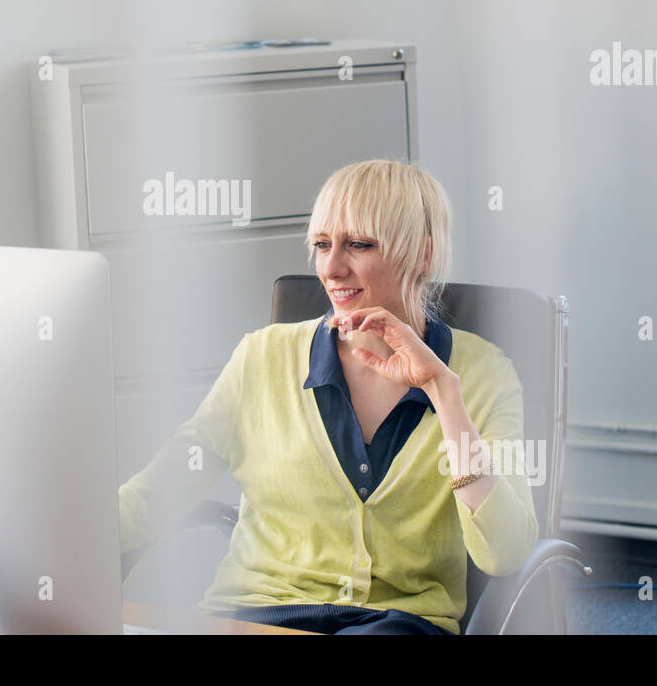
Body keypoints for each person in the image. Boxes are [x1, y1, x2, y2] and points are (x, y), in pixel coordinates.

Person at [118, 159, 538, 634]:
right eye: (321, 245)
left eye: (359, 244)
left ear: (423, 254)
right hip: (254, 613)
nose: (332, 268)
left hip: (394, 623)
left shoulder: (482, 373)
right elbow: (157, 493)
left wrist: (444, 393)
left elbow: (504, 553)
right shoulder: (262, 358)